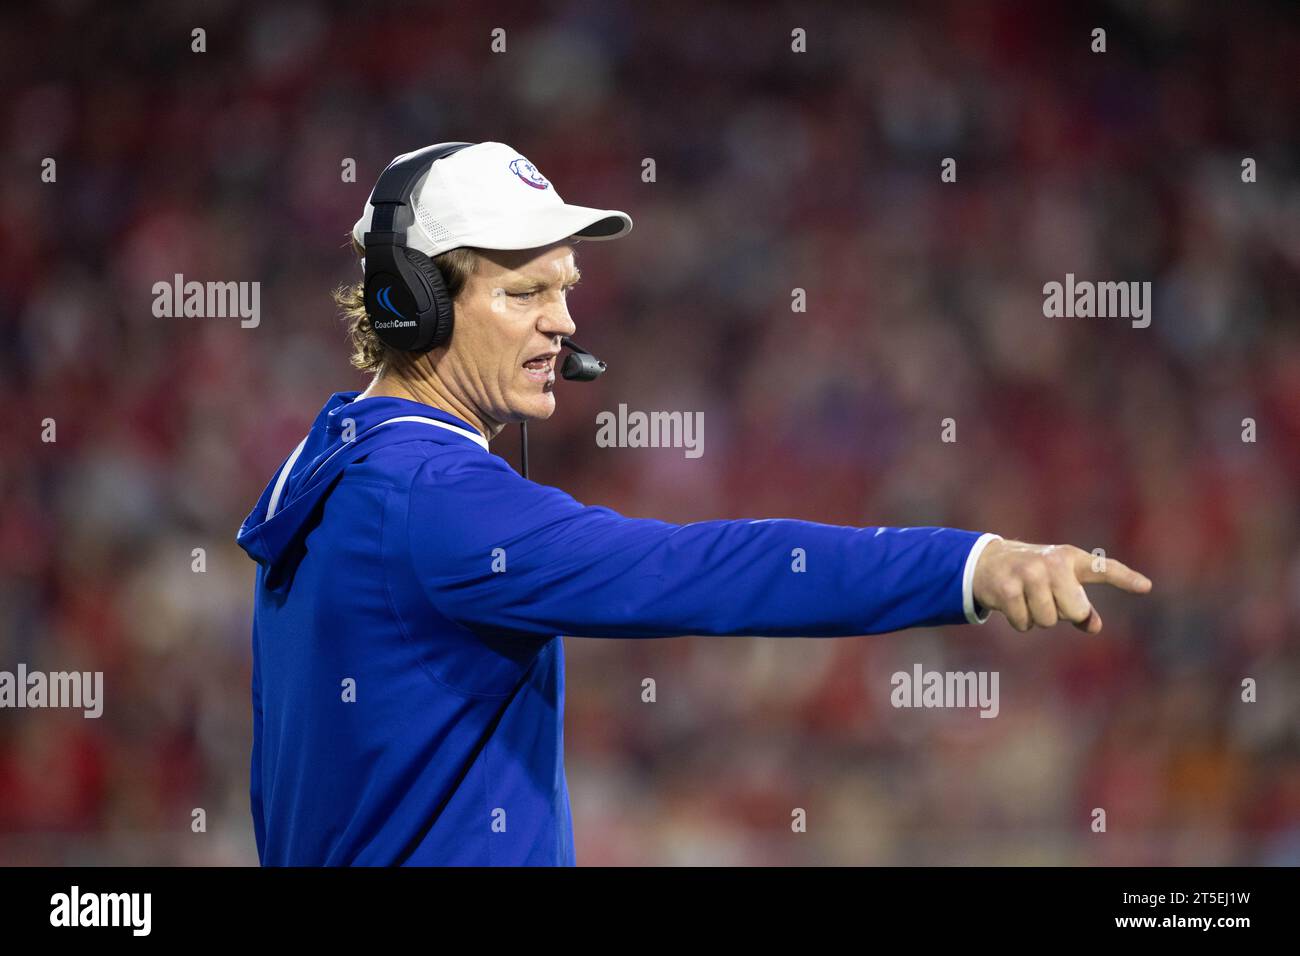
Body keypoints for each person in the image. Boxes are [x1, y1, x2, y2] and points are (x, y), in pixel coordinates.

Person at [236, 141, 1152, 865]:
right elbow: (710, 571)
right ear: (414, 307)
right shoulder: (436, 502)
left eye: (565, 290)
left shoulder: (339, 461)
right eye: (525, 293)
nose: (563, 322)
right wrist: (971, 565)